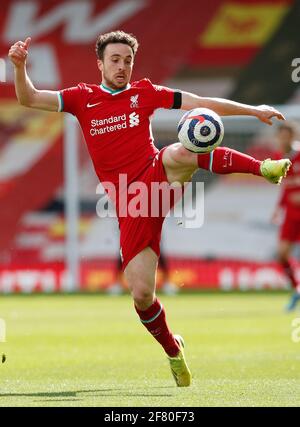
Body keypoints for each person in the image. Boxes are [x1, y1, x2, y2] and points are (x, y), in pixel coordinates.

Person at [8, 31, 291, 387]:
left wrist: (253, 111)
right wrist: (18, 67)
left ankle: (262, 167)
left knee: (181, 151)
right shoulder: (82, 98)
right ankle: (173, 350)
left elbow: (197, 100)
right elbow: (29, 97)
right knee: (142, 295)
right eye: (115, 60)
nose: (122, 67)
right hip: (131, 203)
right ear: (100, 63)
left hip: (156, 173)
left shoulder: (144, 92)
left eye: (127, 61)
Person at [271, 124, 300, 311]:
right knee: (281, 254)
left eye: (287, 136)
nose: (283, 140)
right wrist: (278, 207)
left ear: (292, 137)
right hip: (291, 212)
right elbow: (286, 187)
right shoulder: (278, 158)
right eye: (281, 136)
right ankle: (297, 289)